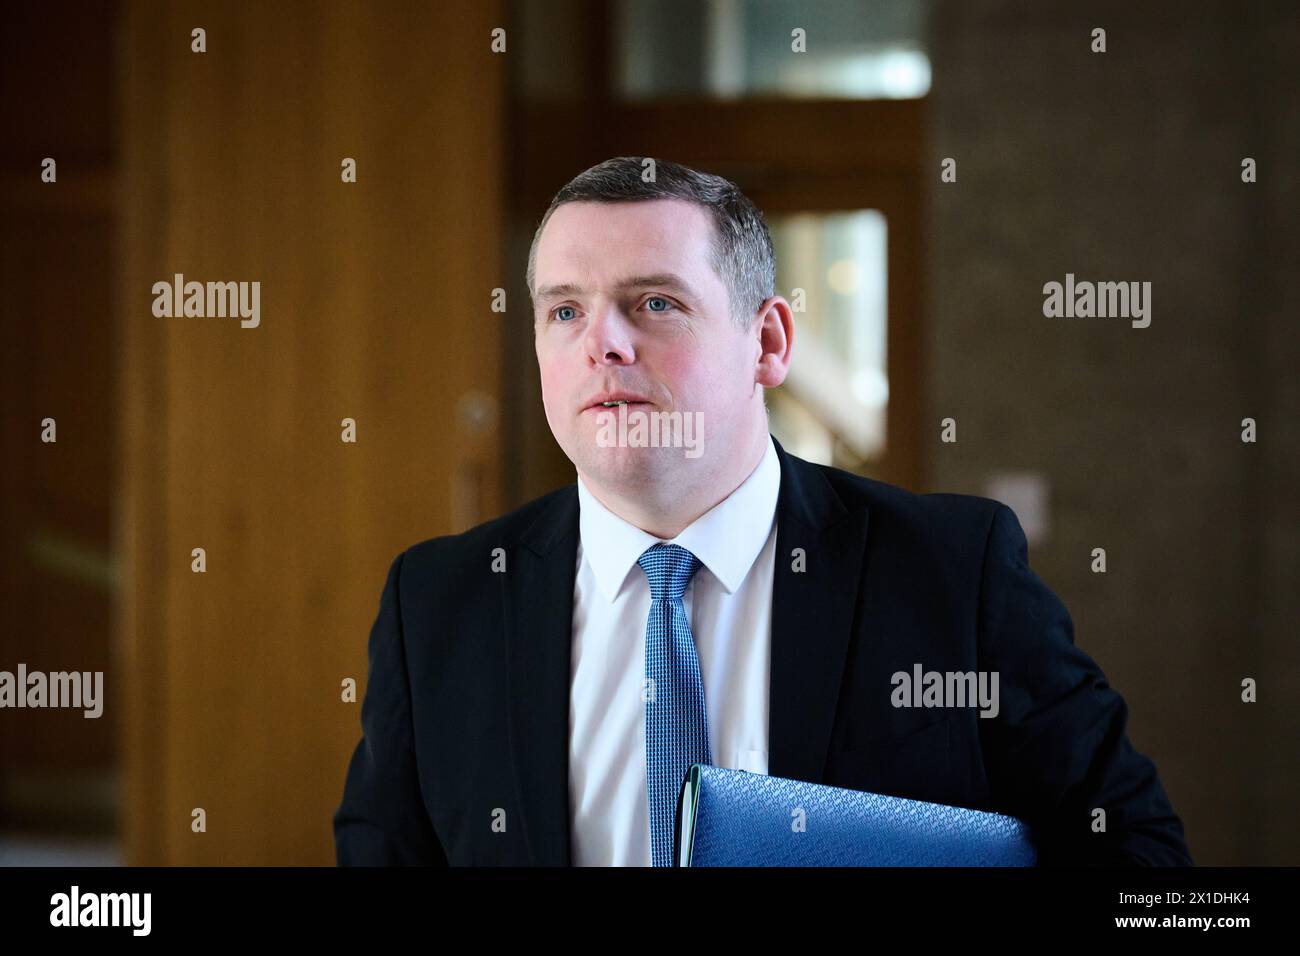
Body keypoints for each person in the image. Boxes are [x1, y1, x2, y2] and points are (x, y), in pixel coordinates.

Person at [333, 156, 1191, 866]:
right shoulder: (439, 602)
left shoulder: (950, 574)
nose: (604, 344)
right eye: (566, 310)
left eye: (655, 303)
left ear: (770, 342)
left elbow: (1143, 863)